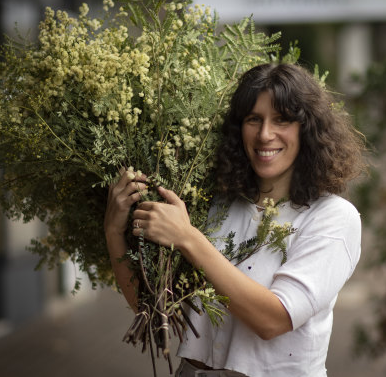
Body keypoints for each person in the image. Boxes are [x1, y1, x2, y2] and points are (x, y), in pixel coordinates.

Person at [104, 62, 366, 377]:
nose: (265, 134)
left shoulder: (332, 217)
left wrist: (188, 238)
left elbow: (273, 320)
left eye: (281, 119)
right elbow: (155, 308)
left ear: (306, 128)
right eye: (253, 119)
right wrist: (113, 231)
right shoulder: (214, 204)